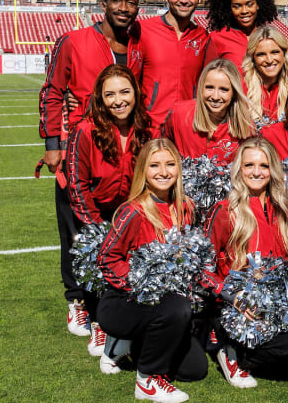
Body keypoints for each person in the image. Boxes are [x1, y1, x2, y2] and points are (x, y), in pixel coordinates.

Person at [39, 0, 142, 336]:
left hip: (123, 149)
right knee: (76, 232)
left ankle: (109, 305)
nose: (124, 7)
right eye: (117, 0)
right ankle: (77, 302)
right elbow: (53, 90)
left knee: (118, 231)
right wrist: (53, 144)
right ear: (104, 1)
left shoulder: (138, 43)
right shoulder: (74, 40)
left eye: (131, 2)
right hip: (81, 146)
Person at [97, 139, 208, 403]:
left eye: (170, 164)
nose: (163, 172)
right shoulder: (133, 211)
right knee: (176, 307)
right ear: (143, 171)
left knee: (194, 369)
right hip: (124, 302)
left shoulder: (187, 208)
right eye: (154, 165)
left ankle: (125, 345)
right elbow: (107, 259)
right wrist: (143, 285)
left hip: (167, 306)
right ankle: (147, 380)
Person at [63, 65, 155, 362]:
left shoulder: (147, 127)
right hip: (90, 206)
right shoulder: (85, 130)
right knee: (95, 257)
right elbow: (76, 183)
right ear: (100, 99)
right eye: (110, 94)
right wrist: (97, 229)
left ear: (136, 93)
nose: (118, 100)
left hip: (127, 209)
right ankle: (97, 322)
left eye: (125, 92)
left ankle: (125, 317)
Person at [206, 138, 288, 388]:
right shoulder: (224, 211)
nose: (257, 172)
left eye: (264, 166)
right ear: (238, 169)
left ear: (273, 170)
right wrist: (232, 296)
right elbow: (203, 268)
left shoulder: (285, 209)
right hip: (239, 306)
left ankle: (244, 354)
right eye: (249, 165)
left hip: (275, 306)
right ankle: (230, 349)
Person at [139, 0, 210, 125]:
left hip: (188, 126)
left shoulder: (203, 37)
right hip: (151, 126)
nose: (184, 0)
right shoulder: (143, 30)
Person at [162, 59, 256, 167]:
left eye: (224, 90)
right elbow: (164, 150)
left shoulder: (245, 126)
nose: (215, 97)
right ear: (201, 87)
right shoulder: (179, 114)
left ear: (234, 92)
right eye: (209, 87)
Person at [204, 0, 278, 67]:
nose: (244, 11)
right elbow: (209, 75)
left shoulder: (270, 35)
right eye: (237, 6)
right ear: (229, 9)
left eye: (250, 4)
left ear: (258, 5)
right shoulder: (217, 38)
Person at [241, 26, 288, 124]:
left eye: (275, 52)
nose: (269, 60)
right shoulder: (241, 89)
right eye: (261, 54)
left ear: (284, 54)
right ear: (253, 58)